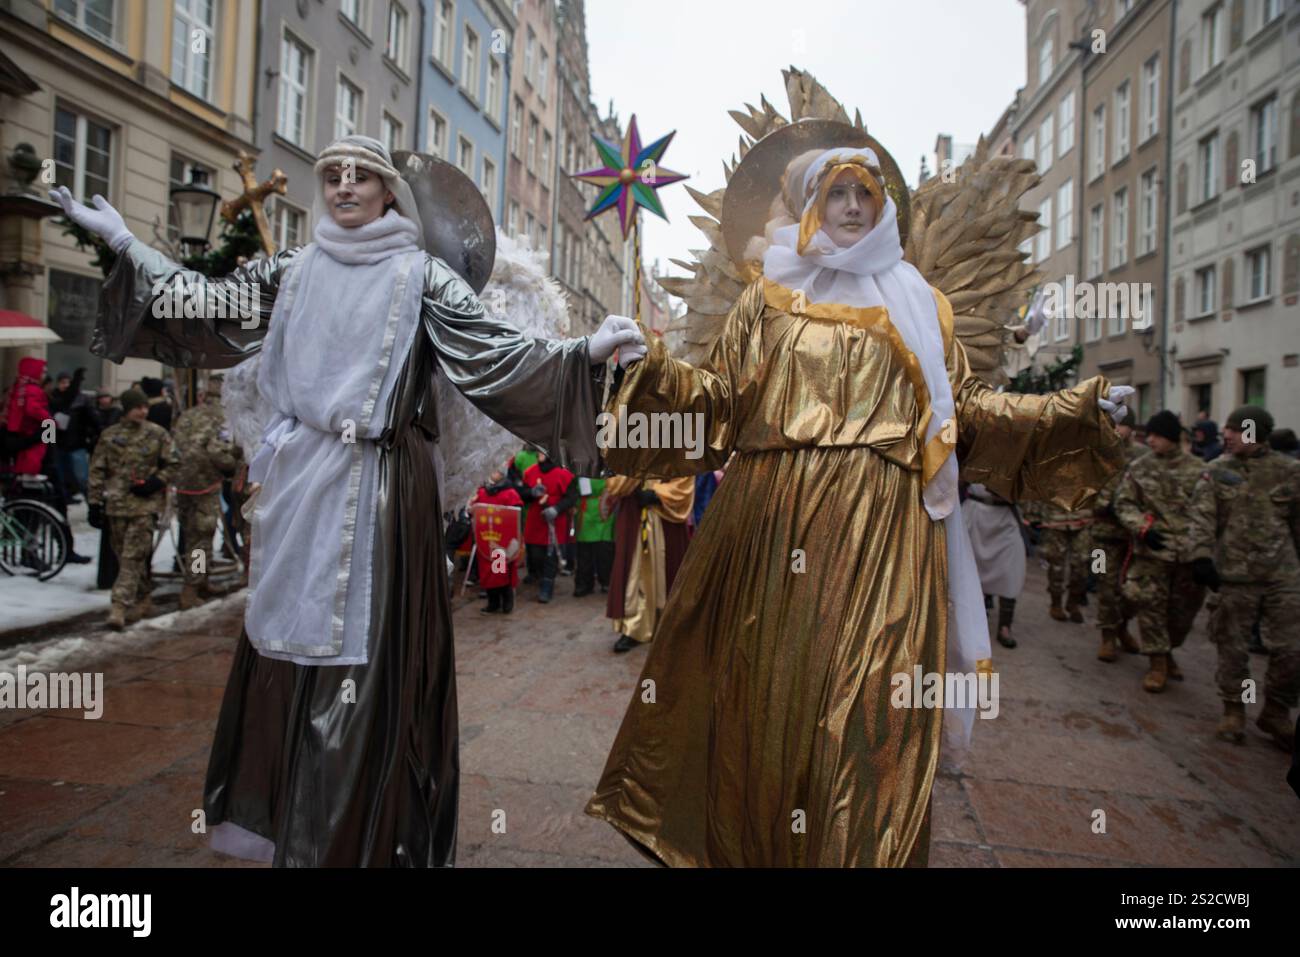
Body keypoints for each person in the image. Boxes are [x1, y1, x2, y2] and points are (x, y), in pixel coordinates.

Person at [51, 133, 644, 867]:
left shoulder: (421, 276)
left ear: (389, 191)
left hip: (384, 487)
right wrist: (124, 247)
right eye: (333, 174)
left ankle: (358, 833)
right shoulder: (292, 270)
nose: (344, 187)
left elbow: (495, 352)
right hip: (302, 486)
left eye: (362, 176)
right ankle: (280, 819)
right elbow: (206, 308)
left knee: (367, 660)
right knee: (285, 642)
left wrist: (583, 353)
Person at [584, 137, 1130, 866]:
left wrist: (1074, 413)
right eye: (835, 194)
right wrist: (644, 372)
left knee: (875, 712)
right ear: (810, 205)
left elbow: (965, 411)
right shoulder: (766, 298)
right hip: (772, 530)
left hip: (886, 533)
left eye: (862, 195)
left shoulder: (919, 303)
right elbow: (719, 404)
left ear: (881, 208)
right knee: (770, 701)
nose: (848, 207)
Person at [1188, 406, 1300, 749]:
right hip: (1234, 574)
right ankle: (1235, 709)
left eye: (1236, 430)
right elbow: (1202, 517)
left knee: (1291, 649)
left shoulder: (1289, 472)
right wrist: (1201, 556)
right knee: (1233, 648)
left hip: (1282, 572)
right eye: (1227, 429)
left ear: (1255, 433)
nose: (1228, 435)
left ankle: (1275, 710)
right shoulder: (1216, 472)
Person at [1113, 410, 1210, 692]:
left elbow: (1207, 513)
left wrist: (1203, 552)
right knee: (1151, 608)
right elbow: (1124, 503)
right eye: (1149, 435)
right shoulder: (1141, 467)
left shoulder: (1199, 470)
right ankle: (1157, 663)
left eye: (1157, 435)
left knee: (1181, 614)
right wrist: (1142, 527)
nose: (1150, 440)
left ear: (1172, 437)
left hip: (1187, 556)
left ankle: (1168, 651)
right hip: (1152, 553)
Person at [86, 388, 179, 629]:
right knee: (126, 558)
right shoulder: (109, 435)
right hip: (116, 507)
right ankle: (144, 597)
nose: (143, 411)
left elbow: (174, 463)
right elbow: (97, 469)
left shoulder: (157, 434)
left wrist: (156, 482)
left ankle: (118, 607)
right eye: (138, 407)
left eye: (145, 407)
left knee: (131, 558)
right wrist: (94, 503)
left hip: (144, 508)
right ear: (127, 409)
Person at [171, 374, 239, 609]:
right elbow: (218, 452)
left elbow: (176, 445)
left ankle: (203, 580)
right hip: (205, 485)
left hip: (183, 484)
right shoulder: (222, 419)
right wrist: (232, 466)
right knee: (201, 539)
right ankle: (191, 588)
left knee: (191, 534)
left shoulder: (188, 415)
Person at [604, 475, 695, 654]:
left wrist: (656, 494)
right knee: (633, 569)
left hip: (665, 517)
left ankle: (668, 625)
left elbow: (685, 475)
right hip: (634, 512)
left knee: (670, 568)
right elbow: (615, 482)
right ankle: (634, 629)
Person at [1091, 406, 1145, 661]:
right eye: (1111, 425)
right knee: (1106, 586)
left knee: (1134, 591)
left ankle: (1123, 626)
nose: (1115, 430)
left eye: (1120, 425)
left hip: (1134, 537)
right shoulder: (1098, 452)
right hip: (1103, 534)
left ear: (1131, 429)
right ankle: (1107, 636)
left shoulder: (1143, 458)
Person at [961, 482, 1024, 649]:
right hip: (975, 512)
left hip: (1005, 516)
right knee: (966, 569)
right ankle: (969, 623)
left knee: (1011, 569)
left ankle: (1005, 626)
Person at [522, 451, 576, 603]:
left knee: (550, 556)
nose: (539, 453)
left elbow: (571, 497)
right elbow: (522, 494)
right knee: (535, 554)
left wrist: (556, 509)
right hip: (535, 519)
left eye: (542, 450)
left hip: (554, 520)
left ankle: (547, 587)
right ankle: (539, 577)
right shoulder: (530, 472)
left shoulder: (564, 474)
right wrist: (531, 492)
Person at [472, 468, 524, 614]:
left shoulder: (509, 494)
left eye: (496, 471)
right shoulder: (482, 492)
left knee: (499, 572)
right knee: (487, 574)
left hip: (501, 543)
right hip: (486, 541)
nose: (492, 473)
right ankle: (493, 602)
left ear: (502, 475)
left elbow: (515, 517)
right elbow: (474, 509)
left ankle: (507, 600)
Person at [4, 356, 50, 477]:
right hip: (34, 430)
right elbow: (32, 409)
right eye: (43, 371)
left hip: (18, 432)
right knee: (37, 454)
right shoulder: (34, 390)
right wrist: (49, 420)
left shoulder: (18, 388)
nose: (44, 374)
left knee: (25, 456)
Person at [573, 475, 615, 597]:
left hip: (604, 508)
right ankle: (584, 583)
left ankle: (606, 581)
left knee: (604, 550)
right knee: (584, 550)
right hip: (584, 510)